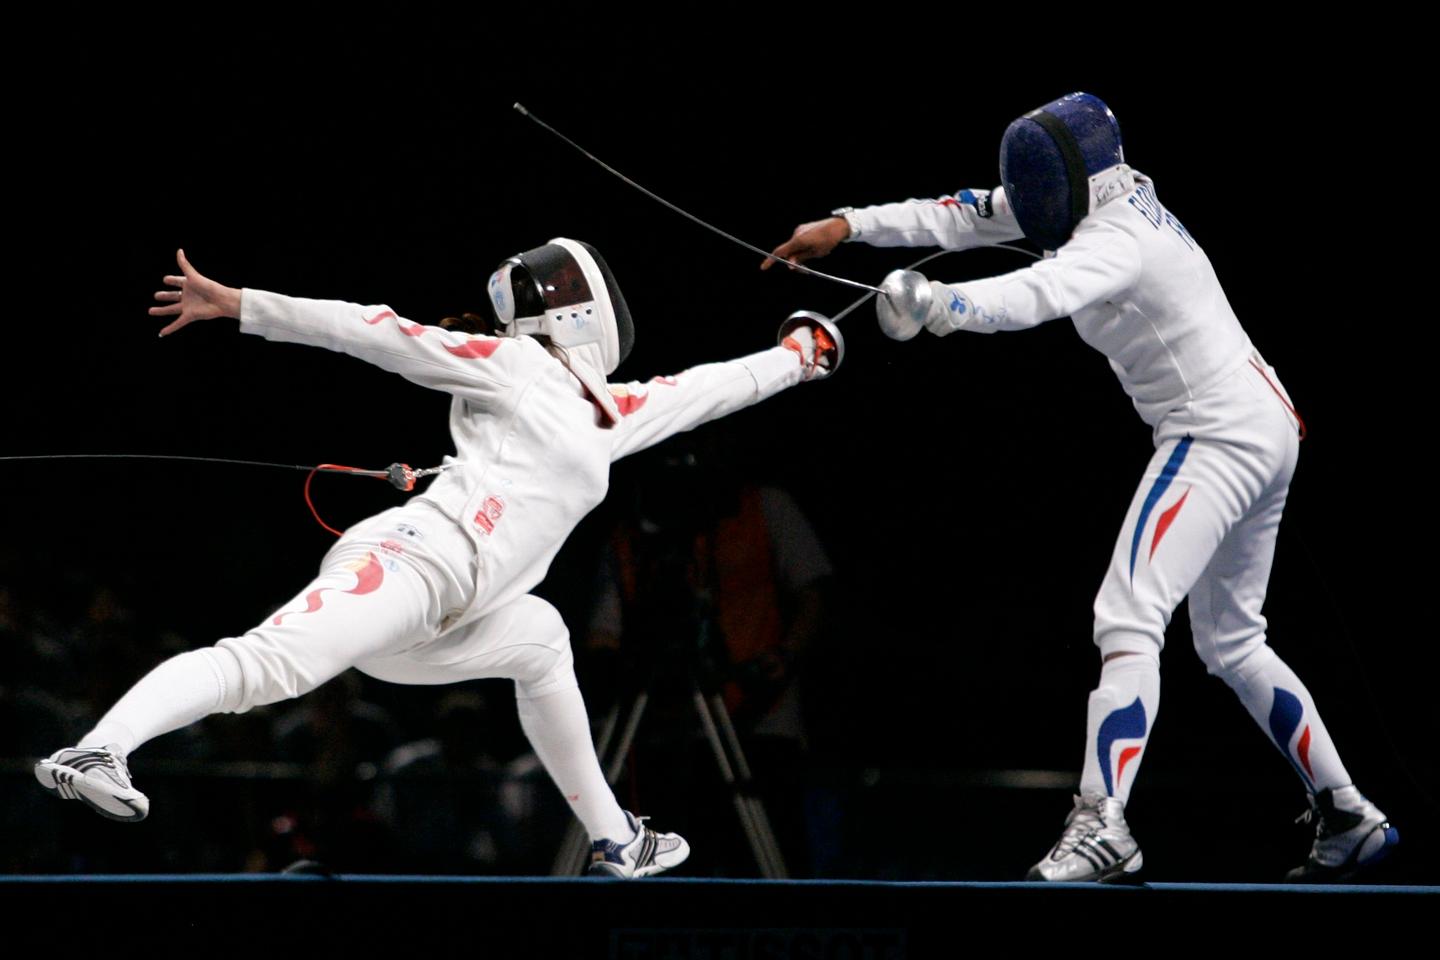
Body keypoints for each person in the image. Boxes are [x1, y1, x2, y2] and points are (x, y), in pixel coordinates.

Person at [35, 239, 841, 879]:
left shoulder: (614, 411)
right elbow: (375, 330)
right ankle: (98, 748)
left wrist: (806, 353)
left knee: (543, 639)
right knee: (263, 670)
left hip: (449, 621)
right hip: (408, 566)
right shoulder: (514, 363)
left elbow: (716, 385)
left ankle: (616, 841)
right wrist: (246, 307)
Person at [766, 92, 1398, 883]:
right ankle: (1347, 813)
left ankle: (1104, 824)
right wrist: (849, 225)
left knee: (1128, 614)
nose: (1028, 213)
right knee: (1233, 640)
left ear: (1073, 183)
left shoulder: (1116, 240)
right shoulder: (1098, 189)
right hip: (1261, 417)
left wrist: (942, 307)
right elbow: (962, 216)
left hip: (1214, 430)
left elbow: (1039, 293)